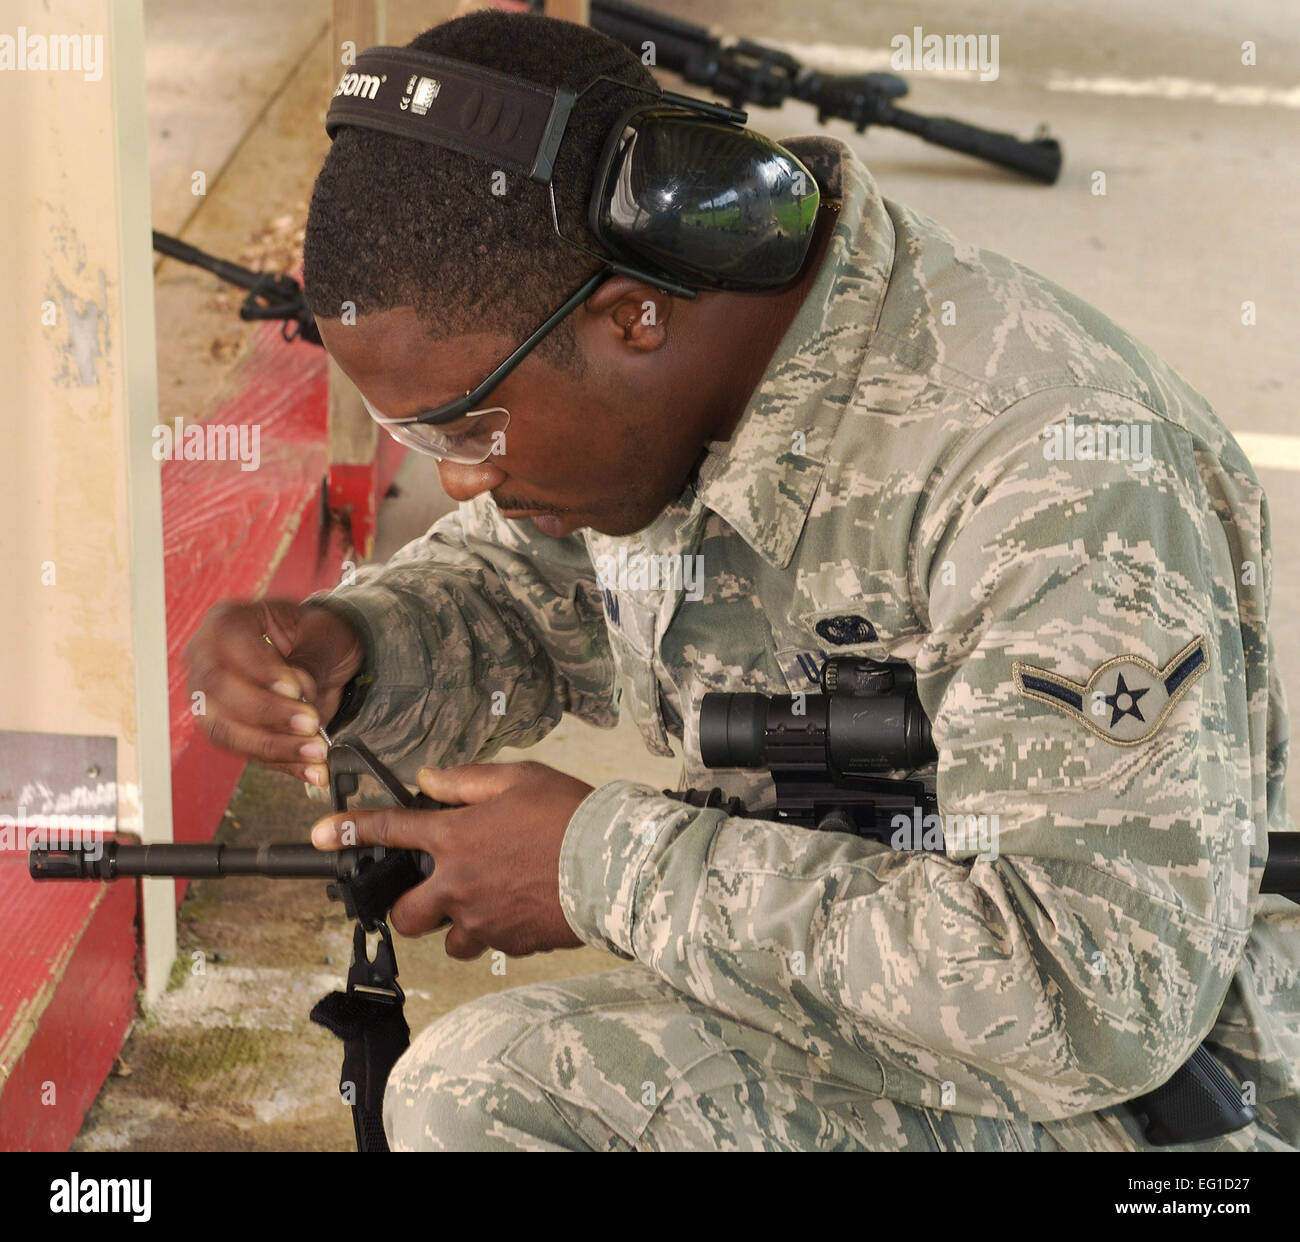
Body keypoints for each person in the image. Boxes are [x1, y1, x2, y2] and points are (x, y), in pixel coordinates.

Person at [185, 10, 1300, 1150]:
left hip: (1130, 1097)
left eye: (471, 426)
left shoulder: (1048, 466)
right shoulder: (683, 384)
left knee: (490, 1096)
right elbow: (538, 593)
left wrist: (600, 868)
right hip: (868, 1009)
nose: (464, 481)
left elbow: (1099, 994)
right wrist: (356, 646)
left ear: (634, 317)